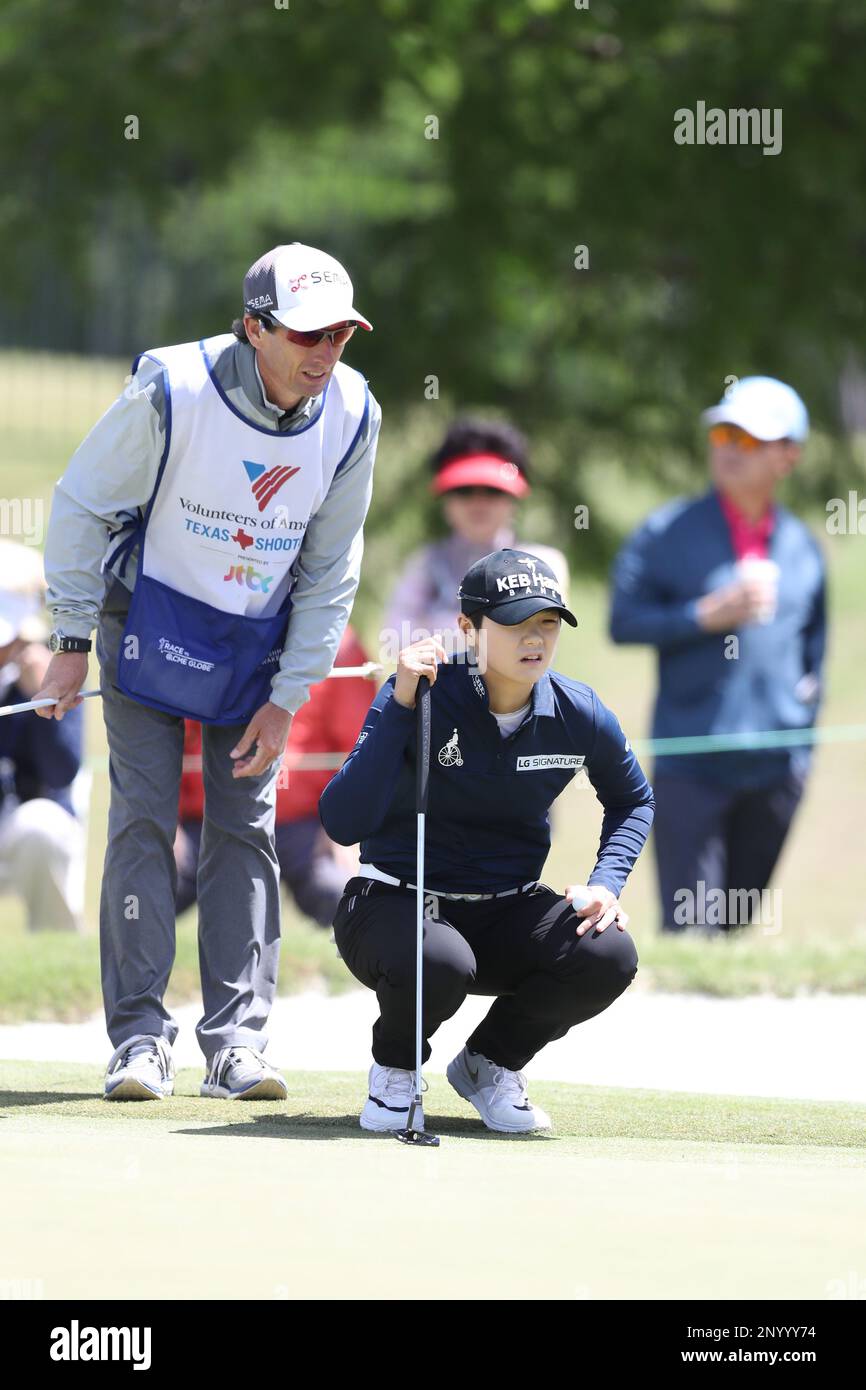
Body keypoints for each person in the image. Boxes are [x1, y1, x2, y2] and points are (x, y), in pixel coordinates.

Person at [35, 241, 381, 1100]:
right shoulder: (171, 389)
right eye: (307, 333)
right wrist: (72, 641)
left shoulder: (353, 412)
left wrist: (290, 697)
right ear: (254, 328)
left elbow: (333, 568)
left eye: (340, 332)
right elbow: (80, 502)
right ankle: (139, 1040)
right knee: (145, 819)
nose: (326, 351)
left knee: (246, 829)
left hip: (254, 637)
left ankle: (236, 1044)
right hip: (146, 613)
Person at [320, 548, 654, 1134]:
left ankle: (490, 1063)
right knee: (439, 959)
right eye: (517, 623)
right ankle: (396, 1069)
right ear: (469, 630)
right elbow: (343, 820)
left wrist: (606, 884)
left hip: (506, 907)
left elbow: (634, 799)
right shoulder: (420, 695)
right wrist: (398, 706)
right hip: (395, 902)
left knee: (607, 952)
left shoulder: (579, 713)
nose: (536, 639)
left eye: (548, 623)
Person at [609, 376, 826, 933]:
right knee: (691, 927)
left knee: (734, 926)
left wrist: (801, 735)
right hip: (692, 761)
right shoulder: (666, 531)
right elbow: (622, 621)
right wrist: (703, 617)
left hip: (777, 766)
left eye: (749, 439)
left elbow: (813, 654)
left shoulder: (803, 546)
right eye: (723, 432)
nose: (729, 447)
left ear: (788, 457)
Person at [174, 624, 375, 926]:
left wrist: (347, 829)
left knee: (344, 893)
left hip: (305, 825)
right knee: (151, 889)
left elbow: (359, 744)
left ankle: (347, 972)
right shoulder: (207, 631)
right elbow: (169, 742)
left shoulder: (337, 642)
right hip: (208, 821)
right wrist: (167, 821)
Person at [382, 417, 570, 657]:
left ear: (513, 500)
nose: (478, 503)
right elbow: (394, 639)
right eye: (464, 491)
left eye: (493, 491)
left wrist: (437, 626)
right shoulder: (425, 562)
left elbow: (532, 637)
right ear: (446, 501)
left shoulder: (543, 563)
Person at [0, 542, 85, 932]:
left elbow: (61, 773)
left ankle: (56, 945)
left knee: (41, 825)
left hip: (23, 824)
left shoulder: (50, 677)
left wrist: (43, 708)